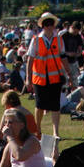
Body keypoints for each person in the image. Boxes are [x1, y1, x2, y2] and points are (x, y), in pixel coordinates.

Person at [25, 12, 66, 140]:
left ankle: (56, 132)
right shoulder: (36, 40)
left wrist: (68, 73)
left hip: (55, 77)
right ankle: (38, 129)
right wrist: (28, 78)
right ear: (42, 26)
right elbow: (30, 60)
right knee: (40, 105)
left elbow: (63, 57)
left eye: (51, 24)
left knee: (55, 105)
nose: (49, 26)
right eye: (46, 24)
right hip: (40, 78)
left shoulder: (58, 39)